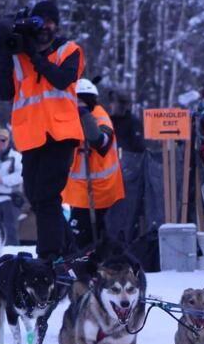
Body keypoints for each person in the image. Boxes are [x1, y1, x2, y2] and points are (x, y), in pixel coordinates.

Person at [0, 0, 84, 262]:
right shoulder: (19, 55)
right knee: (36, 196)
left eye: (49, 23)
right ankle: (70, 251)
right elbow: (3, 91)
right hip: (30, 137)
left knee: (47, 195)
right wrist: (4, 49)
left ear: (57, 25)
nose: (44, 28)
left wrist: (34, 55)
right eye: (39, 22)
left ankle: (49, 256)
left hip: (61, 134)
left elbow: (61, 79)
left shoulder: (69, 50)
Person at [63, 78, 124, 251]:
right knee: (80, 237)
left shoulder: (99, 117)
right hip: (82, 191)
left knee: (85, 237)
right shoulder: (75, 118)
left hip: (99, 191)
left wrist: (83, 114)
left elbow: (100, 141)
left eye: (79, 102)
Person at [104, 88, 147, 243]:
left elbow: (139, 147)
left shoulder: (133, 122)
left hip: (129, 174)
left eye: (113, 102)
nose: (111, 106)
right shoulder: (107, 120)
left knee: (125, 212)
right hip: (109, 173)